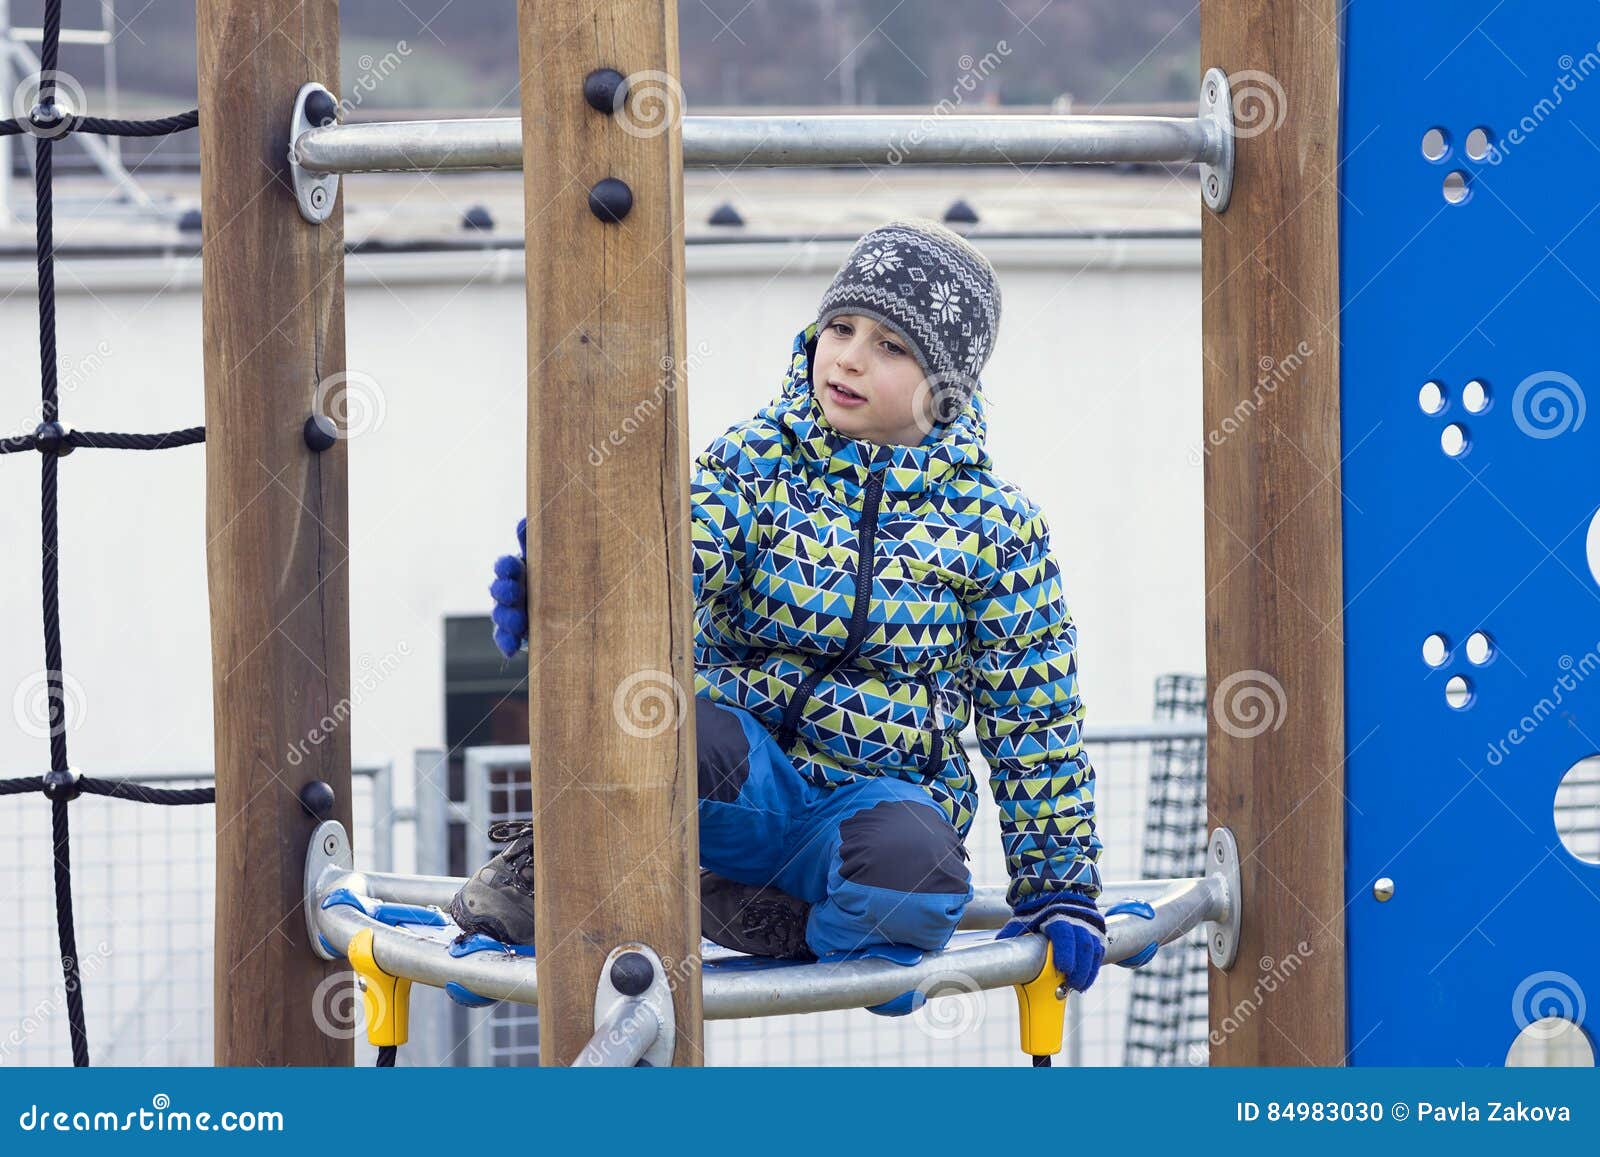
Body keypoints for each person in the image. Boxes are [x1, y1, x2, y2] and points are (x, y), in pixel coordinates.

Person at [453, 218, 1106, 1001]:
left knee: (918, 874)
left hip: (871, 801)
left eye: (892, 346)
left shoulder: (995, 528)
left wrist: (1058, 881)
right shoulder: (756, 462)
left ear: (947, 387)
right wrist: (576, 585)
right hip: (744, 778)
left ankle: (795, 926)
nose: (851, 357)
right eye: (841, 327)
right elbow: (677, 554)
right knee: (667, 724)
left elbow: (1034, 712)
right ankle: (554, 873)